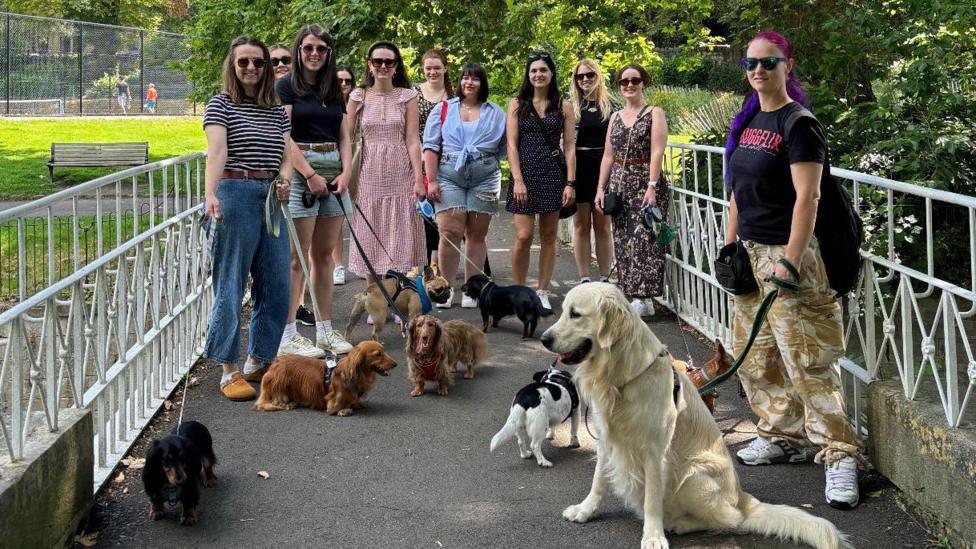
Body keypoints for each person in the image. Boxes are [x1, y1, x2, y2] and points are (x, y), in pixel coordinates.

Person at [724, 31, 863, 509]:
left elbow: (809, 196)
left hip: (793, 258)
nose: (758, 71)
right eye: (751, 64)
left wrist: (790, 257)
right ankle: (783, 436)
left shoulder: (798, 123)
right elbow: (737, 193)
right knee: (757, 357)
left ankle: (839, 454)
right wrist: (730, 247)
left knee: (810, 361)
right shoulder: (748, 120)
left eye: (768, 62)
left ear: (787, 66)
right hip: (752, 254)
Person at [202, 36, 293, 401]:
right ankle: (228, 368)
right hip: (234, 193)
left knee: (276, 283)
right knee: (231, 283)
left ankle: (260, 359)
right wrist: (210, 194)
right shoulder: (220, 105)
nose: (252, 68)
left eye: (258, 62)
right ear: (233, 66)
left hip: (270, 195)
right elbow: (217, 151)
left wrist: (285, 178)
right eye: (244, 62)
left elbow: (286, 151)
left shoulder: (275, 109)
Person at [275, 24, 354, 358]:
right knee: (297, 259)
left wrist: (347, 172)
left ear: (328, 53)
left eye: (321, 49)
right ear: (299, 50)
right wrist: (307, 174)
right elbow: (284, 133)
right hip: (302, 171)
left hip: (333, 169)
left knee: (324, 256)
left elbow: (345, 135)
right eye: (309, 48)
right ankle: (288, 334)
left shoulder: (334, 88)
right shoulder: (286, 86)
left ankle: (325, 330)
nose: (314, 54)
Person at [423, 62, 506, 308]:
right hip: (448, 175)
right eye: (465, 78)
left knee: (476, 235)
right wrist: (432, 180)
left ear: (483, 84)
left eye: (475, 79)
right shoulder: (444, 109)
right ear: (459, 82)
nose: (470, 83)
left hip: (485, 176)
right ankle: (445, 289)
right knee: (449, 234)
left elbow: (503, 147)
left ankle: (472, 289)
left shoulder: (495, 112)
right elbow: (430, 145)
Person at [345, 41, 426, 284]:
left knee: (398, 232)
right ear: (369, 65)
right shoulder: (358, 96)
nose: (382, 66)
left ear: (396, 66)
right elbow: (346, 137)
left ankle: (395, 293)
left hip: (400, 172)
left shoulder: (407, 96)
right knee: (370, 230)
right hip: (368, 171)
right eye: (377, 61)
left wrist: (418, 178)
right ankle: (374, 296)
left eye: (388, 61)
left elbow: (413, 140)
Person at [595, 64, 669, 318]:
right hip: (619, 185)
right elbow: (608, 156)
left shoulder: (654, 113)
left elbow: (657, 151)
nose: (629, 85)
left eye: (634, 80)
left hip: (645, 182)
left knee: (645, 241)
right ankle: (631, 292)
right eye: (623, 81)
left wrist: (652, 185)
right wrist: (600, 188)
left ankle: (644, 296)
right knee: (623, 239)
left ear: (643, 83)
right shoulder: (615, 117)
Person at [506, 52, 576, 311]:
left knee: (548, 236)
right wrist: (518, 179)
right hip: (523, 176)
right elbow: (512, 145)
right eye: (534, 70)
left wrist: (570, 183)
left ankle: (543, 290)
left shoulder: (563, 106)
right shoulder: (517, 104)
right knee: (523, 236)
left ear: (551, 74)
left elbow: (569, 147)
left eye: (543, 70)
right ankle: (518, 291)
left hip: (552, 176)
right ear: (528, 74)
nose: (538, 74)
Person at [569, 58, 614, 285]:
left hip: (603, 166)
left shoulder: (611, 106)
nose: (585, 79)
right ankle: (584, 277)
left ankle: (605, 276)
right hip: (579, 166)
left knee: (603, 225)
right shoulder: (571, 107)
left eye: (590, 75)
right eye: (580, 76)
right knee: (581, 224)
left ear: (598, 76)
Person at [414, 49, 454, 268]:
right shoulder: (414, 93)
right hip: (419, 159)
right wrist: (420, 154)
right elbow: (408, 129)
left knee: (447, 211)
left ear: (445, 69)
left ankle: (445, 260)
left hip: (447, 160)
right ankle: (429, 263)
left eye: (437, 67)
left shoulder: (454, 95)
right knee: (424, 213)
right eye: (428, 67)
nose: (432, 72)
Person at [329, 64, 357, 287]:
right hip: (335, 162)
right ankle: (338, 265)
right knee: (337, 219)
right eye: (340, 81)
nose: (344, 85)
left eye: (348, 81)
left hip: (359, 160)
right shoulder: (328, 104)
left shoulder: (358, 103)